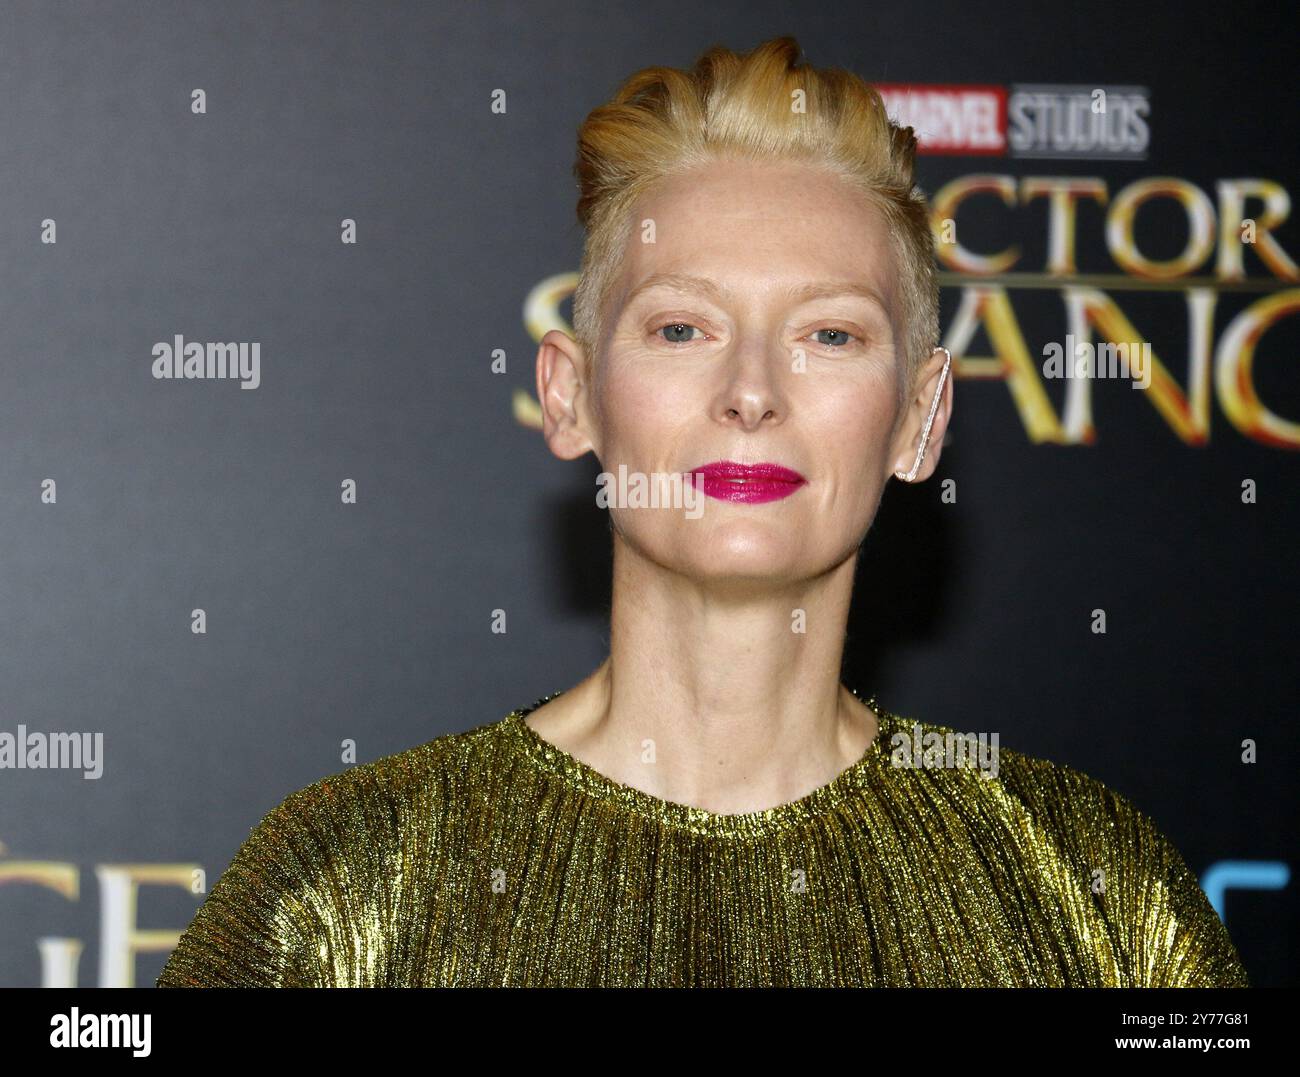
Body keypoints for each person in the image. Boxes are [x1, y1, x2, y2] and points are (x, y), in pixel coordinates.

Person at [156, 35, 1249, 988]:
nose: (751, 390)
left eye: (831, 335)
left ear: (919, 422)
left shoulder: (1091, 888)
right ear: (569, 394)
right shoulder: (343, 882)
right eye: (682, 329)